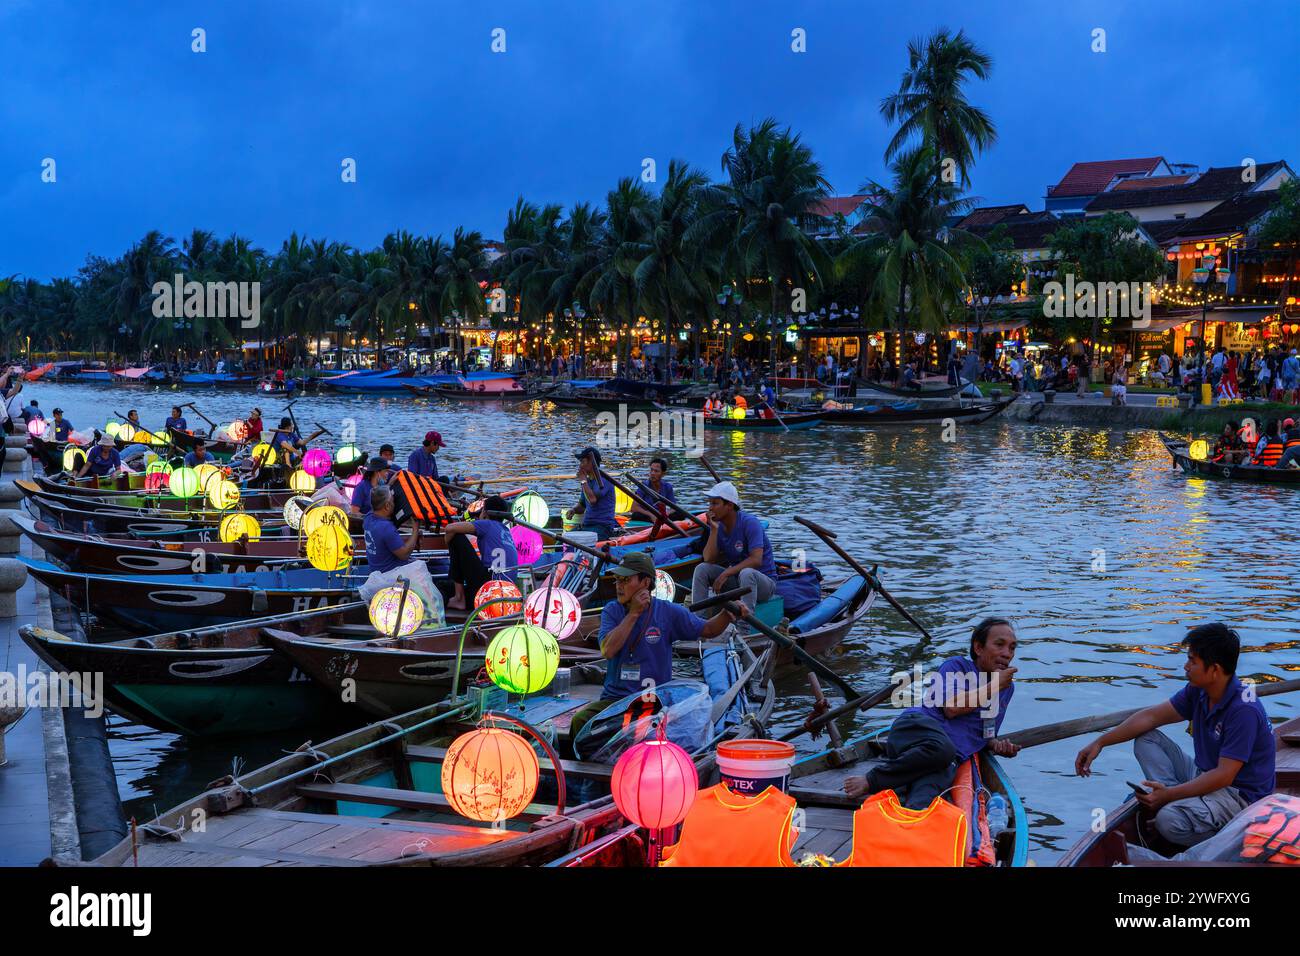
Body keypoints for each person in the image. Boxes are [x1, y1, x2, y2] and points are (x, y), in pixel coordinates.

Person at [1075, 623, 1275, 849]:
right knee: (1146, 739)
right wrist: (1100, 742)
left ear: (1215, 670)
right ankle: (1174, 799)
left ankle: (1186, 814)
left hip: (1238, 797)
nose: (1186, 666)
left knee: (1168, 822)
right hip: (1204, 773)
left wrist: (1169, 795)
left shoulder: (1243, 710)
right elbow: (1150, 717)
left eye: (1193, 661)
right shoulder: (1199, 691)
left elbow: (1224, 776)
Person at [565, 551, 744, 753]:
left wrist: (726, 615)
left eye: (625, 580)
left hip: (653, 702)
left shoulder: (668, 612)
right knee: (581, 722)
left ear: (645, 582)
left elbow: (709, 630)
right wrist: (633, 614)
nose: (619, 586)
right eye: (616, 580)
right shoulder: (612, 611)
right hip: (616, 702)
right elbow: (608, 650)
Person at [842, 618, 1020, 809]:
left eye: (1012, 648)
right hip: (916, 730)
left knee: (925, 797)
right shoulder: (957, 667)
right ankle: (871, 780)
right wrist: (995, 685)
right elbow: (951, 709)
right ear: (978, 647)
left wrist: (997, 744)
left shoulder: (1006, 689)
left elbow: (985, 731)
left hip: (948, 758)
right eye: (999, 645)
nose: (1007, 654)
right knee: (942, 749)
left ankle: (907, 824)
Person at [690, 480, 776, 614]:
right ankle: (698, 621)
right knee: (701, 569)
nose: (710, 508)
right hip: (737, 581)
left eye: (715, 503)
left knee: (746, 573)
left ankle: (744, 627)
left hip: (763, 585)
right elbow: (708, 559)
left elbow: (756, 560)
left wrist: (726, 572)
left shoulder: (750, 523)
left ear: (729, 505)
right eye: (710, 503)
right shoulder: (719, 526)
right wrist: (713, 530)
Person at [441, 495, 517, 611]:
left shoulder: (487, 524)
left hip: (489, 589)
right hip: (505, 592)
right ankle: (459, 597)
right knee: (445, 587)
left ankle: (459, 598)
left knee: (457, 537)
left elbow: (450, 528)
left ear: (485, 512)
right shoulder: (506, 531)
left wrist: (450, 547)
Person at [362, 486, 422, 574]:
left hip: (376, 570)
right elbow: (404, 555)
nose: (394, 504)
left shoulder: (368, 518)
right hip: (391, 575)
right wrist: (415, 529)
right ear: (387, 506)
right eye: (393, 501)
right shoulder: (386, 528)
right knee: (424, 566)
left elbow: (378, 497)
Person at [571, 446, 618, 542]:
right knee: (561, 543)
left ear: (591, 463)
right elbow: (583, 505)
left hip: (602, 527)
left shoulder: (604, 480)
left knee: (582, 544)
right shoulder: (587, 482)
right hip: (587, 525)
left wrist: (583, 480)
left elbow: (592, 500)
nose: (580, 466)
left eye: (583, 462)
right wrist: (573, 510)